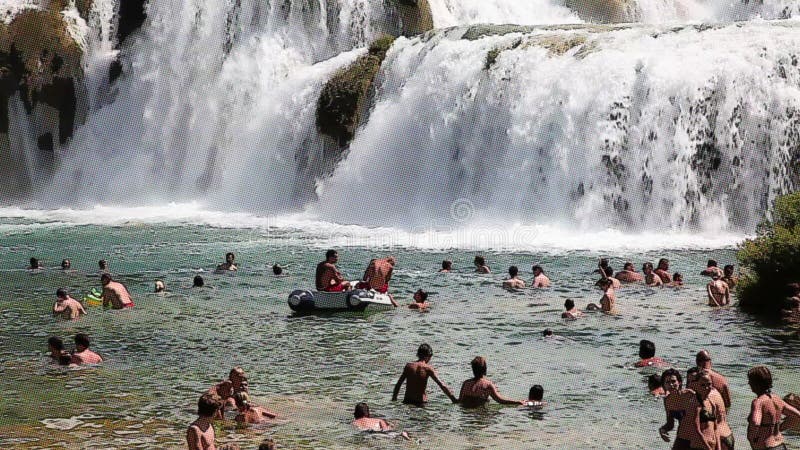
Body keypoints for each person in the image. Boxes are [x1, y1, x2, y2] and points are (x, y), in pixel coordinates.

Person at [747, 366, 800, 450]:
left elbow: (755, 422)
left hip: (767, 447)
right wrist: (780, 428)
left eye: (750, 381)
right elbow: (797, 416)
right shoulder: (777, 399)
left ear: (756, 383)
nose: (748, 383)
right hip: (781, 445)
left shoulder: (758, 402)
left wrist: (752, 438)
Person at [392, 343, 457, 405]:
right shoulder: (428, 368)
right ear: (428, 356)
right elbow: (442, 385)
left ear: (418, 354)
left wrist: (394, 399)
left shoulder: (409, 366)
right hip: (420, 403)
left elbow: (398, 384)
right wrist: (454, 399)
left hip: (407, 401)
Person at [457, 356, 524, 407]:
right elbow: (500, 400)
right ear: (485, 369)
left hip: (466, 413)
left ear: (473, 370)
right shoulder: (488, 385)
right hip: (479, 412)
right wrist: (517, 402)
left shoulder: (466, 383)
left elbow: (459, 401)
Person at [659, 368, 694, 448]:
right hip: (682, 435)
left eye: (673, 381)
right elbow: (670, 424)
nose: (671, 385)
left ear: (679, 382)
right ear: (663, 385)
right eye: (667, 382)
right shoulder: (667, 401)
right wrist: (662, 430)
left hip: (697, 435)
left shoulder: (689, 394)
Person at [687, 370, 722, 450]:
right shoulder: (695, 403)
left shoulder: (711, 402)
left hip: (712, 446)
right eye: (703, 385)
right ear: (696, 385)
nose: (707, 387)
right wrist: (708, 448)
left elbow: (715, 428)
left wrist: (718, 447)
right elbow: (696, 430)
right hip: (699, 447)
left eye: (709, 384)